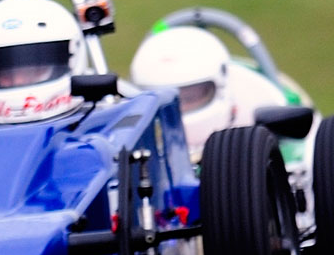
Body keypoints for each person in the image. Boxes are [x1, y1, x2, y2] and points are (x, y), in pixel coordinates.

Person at [128, 22, 311, 162]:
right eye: (163, 101)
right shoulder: (132, 133)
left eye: (190, 96)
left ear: (221, 85)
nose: (178, 107)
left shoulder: (261, 101)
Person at [0, 0, 98, 129]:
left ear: (73, 57)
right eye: (5, 75)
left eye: (33, 71)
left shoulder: (104, 118)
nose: (18, 80)